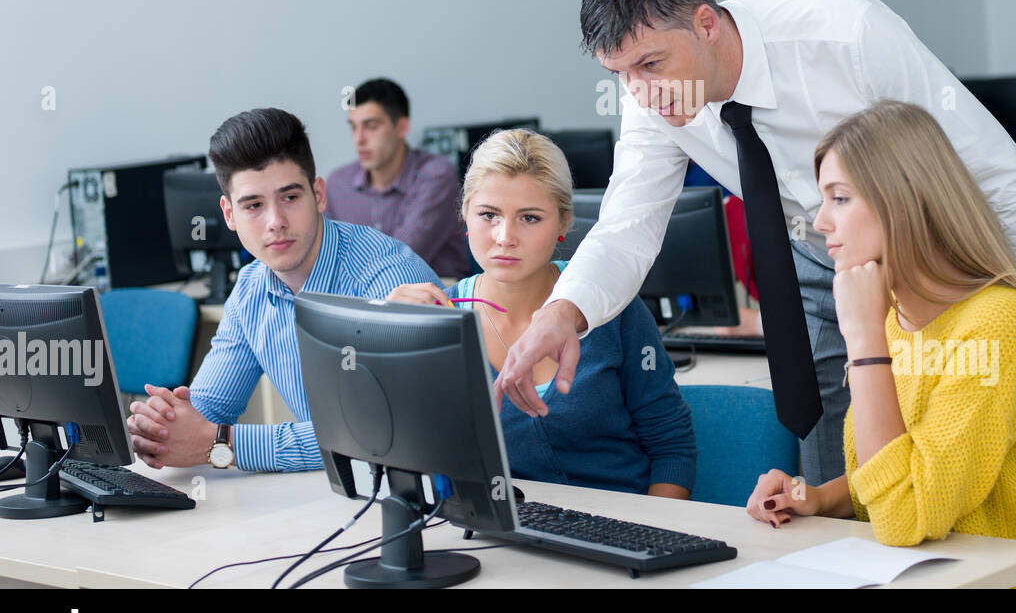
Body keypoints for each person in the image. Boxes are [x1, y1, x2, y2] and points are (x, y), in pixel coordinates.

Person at [494, 0, 1016, 487]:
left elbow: (995, 173)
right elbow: (626, 226)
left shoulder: (844, 31)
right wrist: (563, 310)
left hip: (936, 261)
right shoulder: (651, 101)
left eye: (650, 63)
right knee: (837, 469)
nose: (642, 92)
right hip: (816, 265)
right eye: (621, 74)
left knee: (955, 462)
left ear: (705, 22)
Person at [745, 102, 1016, 588]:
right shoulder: (896, 316)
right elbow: (897, 471)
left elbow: (904, 516)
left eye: (840, 199)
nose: (821, 224)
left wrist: (865, 342)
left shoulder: (996, 323)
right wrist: (817, 496)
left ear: (904, 202)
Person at [126, 108, 450, 472]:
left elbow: (384, 435)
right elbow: (206, 413)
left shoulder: (387, 279)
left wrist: (223, 444)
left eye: (290, 197)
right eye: (253, 206)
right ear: (229, 214)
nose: (275, 222)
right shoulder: (250, 291)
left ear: (319, 194)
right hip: (333, 500)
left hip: (431, 501)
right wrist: (164, 427)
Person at [388, 129, 695, 496]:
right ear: (465, 215)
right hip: (504, 540)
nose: (504, 237)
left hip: (625, 532)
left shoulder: (610, 306)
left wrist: (652, 538)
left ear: (564, 222)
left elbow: (672, 447)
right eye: (488, 215)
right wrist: (392, 344)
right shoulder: (439, 319)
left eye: (529, 218)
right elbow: (410, 452)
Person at [325, 78, 470, 278]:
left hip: (437, 300)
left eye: (371, 126)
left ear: (401, 128)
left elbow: (402, 258)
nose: (359, 139)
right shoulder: (338, 184)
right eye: (353, 127)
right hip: (362, 301)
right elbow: (326, 258)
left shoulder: (436, 175)